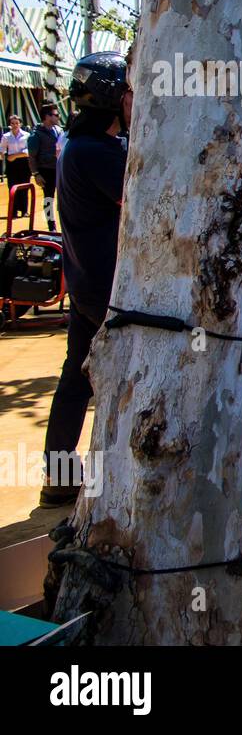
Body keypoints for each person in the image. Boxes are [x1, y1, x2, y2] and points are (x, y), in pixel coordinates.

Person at [40, 52, 131, 508]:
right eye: (130, 92)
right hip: (105, 287)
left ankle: (58, 477)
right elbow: (140, 191)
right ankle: (121, 478)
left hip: (85, 281)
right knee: (123, 379)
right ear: (114, 98)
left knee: (76, 381)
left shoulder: (81, 146)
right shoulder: (97, 153)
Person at [27, 102, 63, 231]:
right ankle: (51, 225)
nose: (58, 117)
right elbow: (31, 156)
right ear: (47, 116)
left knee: (64, 198)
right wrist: (36, 174)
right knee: (48, 199)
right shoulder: (36, 135)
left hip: (59, 169)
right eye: (56, 115)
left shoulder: (58, 130)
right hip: (46, 171)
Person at [2, 114, 31, 218]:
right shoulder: (6, 136)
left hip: (24, 164)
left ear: (20, 124)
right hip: (12, 165)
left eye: (17, 123)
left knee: (24, 187)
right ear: (10, 124)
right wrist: (4, 156)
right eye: (12, 123)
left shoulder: (27, 135)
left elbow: (28, 152)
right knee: (12, 187)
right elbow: (2, 150)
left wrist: (14, 155)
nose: (15, 125)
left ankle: (24, 211)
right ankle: (13, 211)